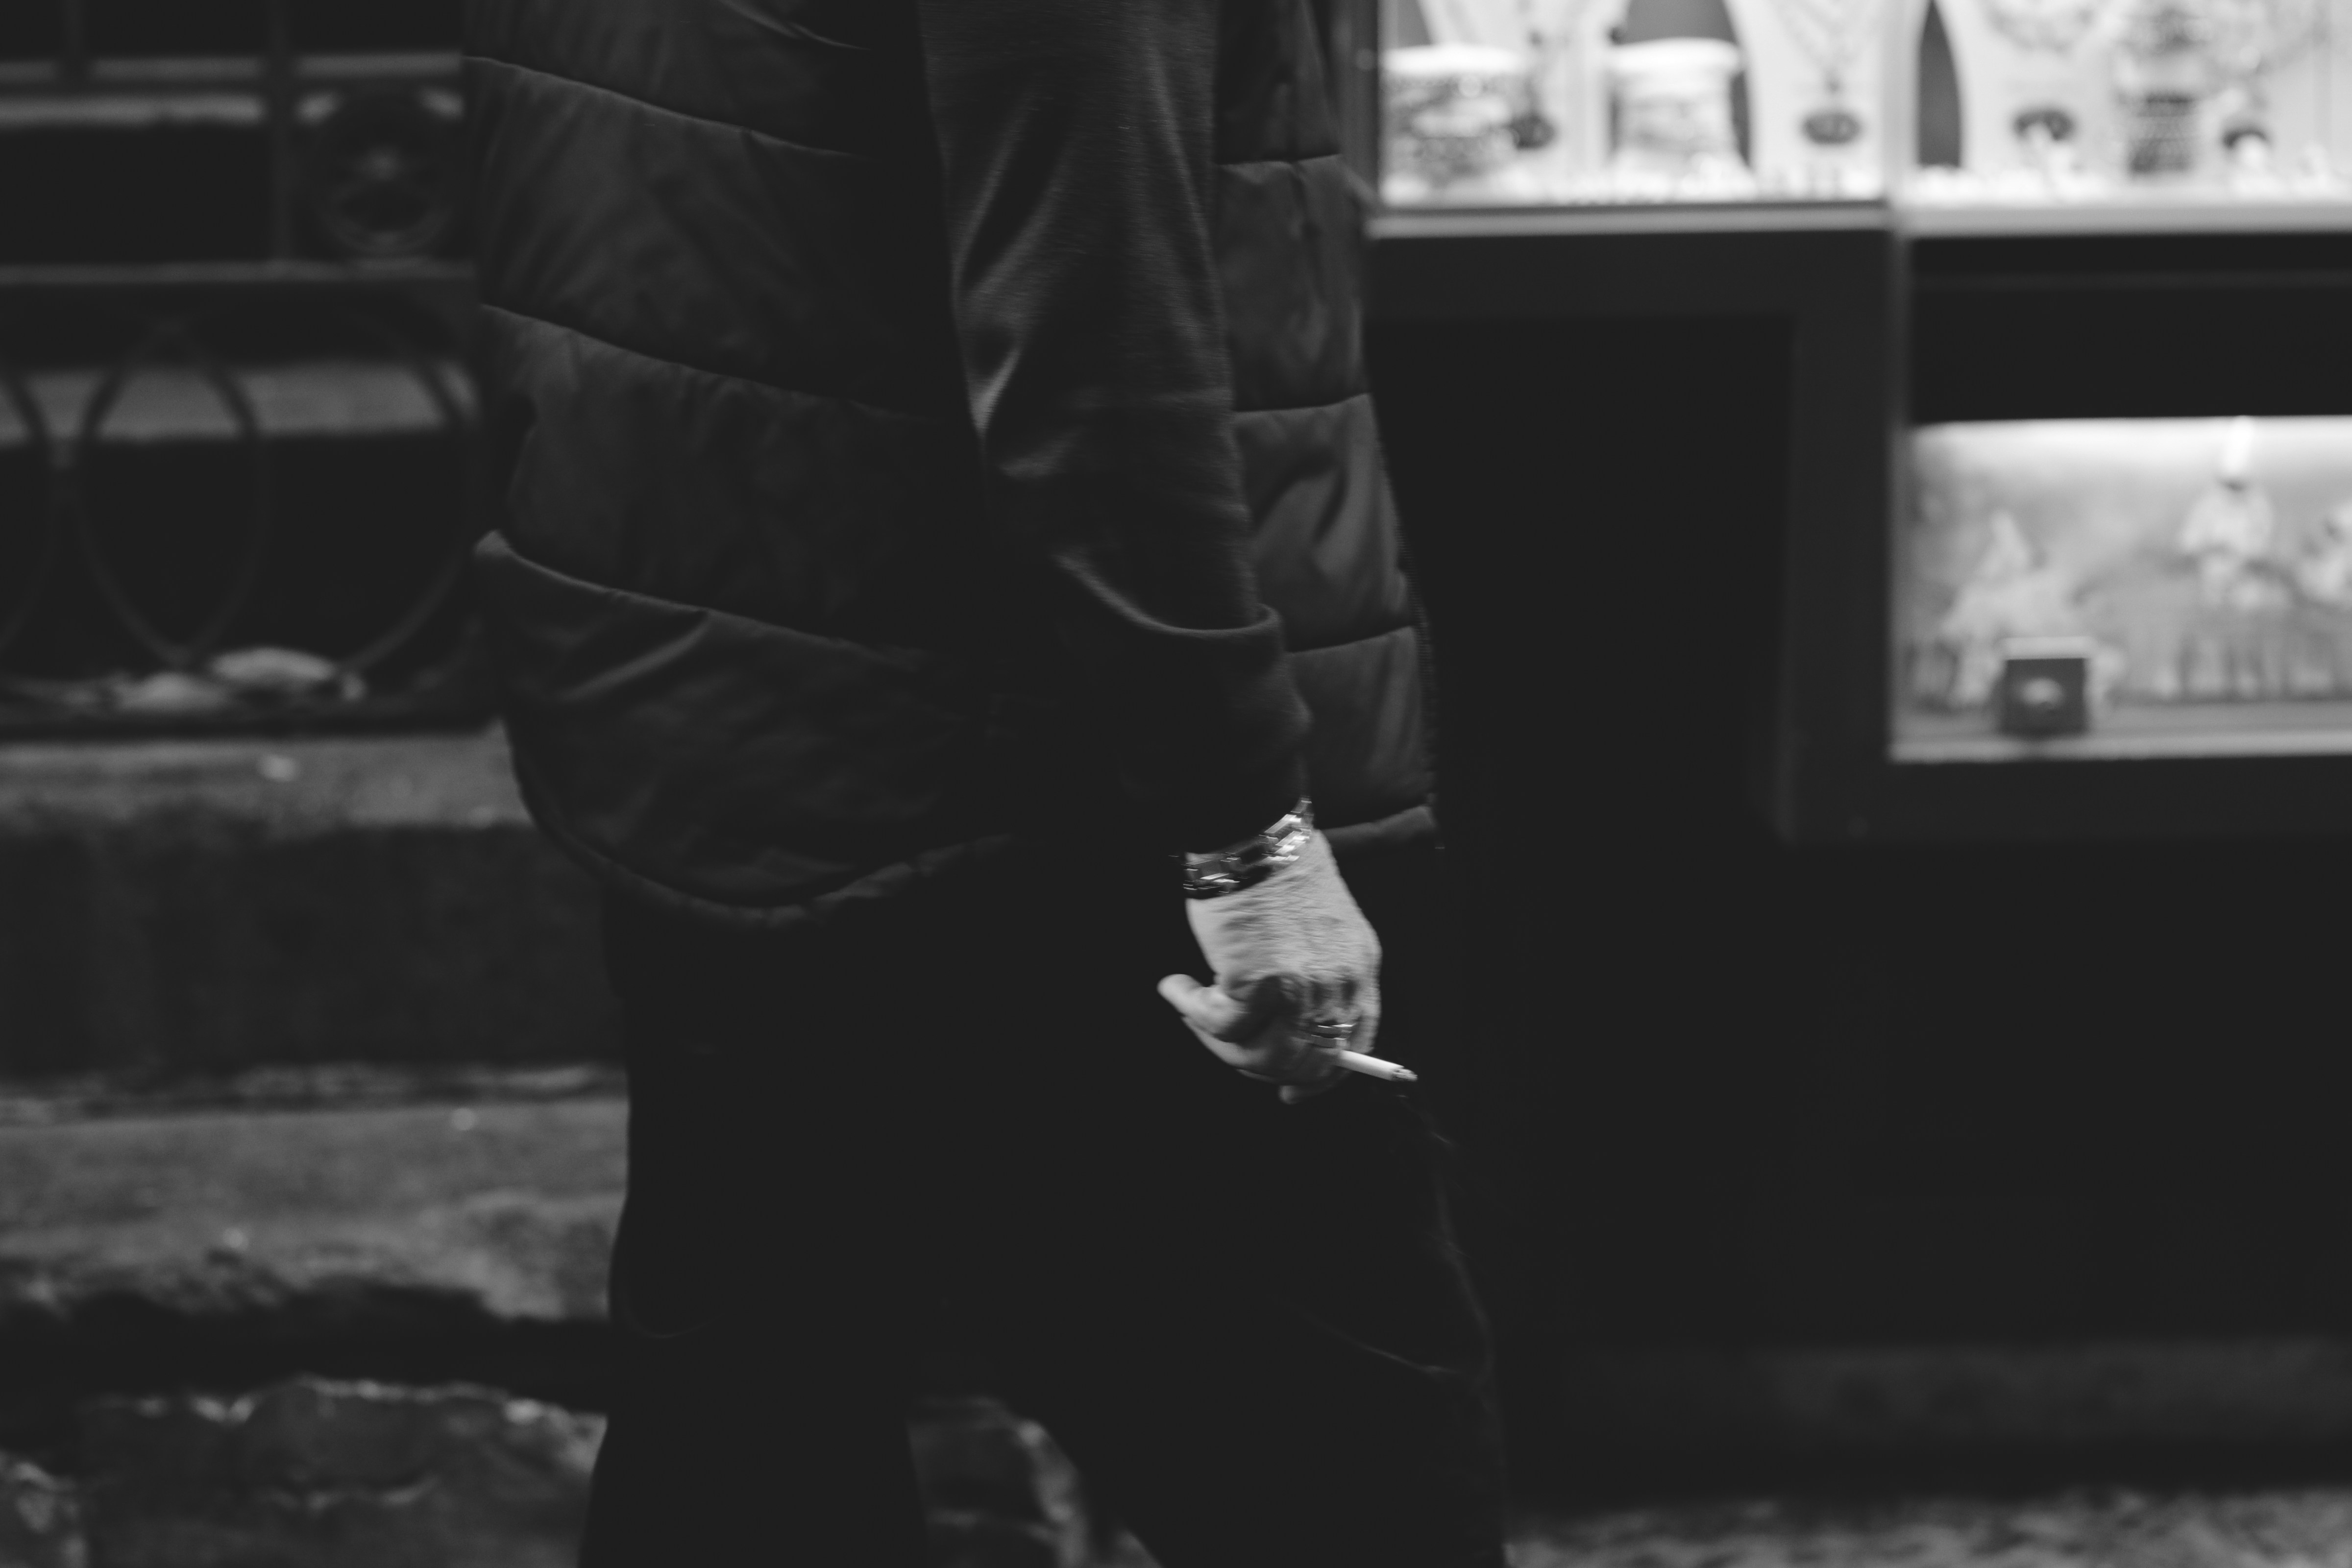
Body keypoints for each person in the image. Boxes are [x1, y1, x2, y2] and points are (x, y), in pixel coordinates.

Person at [460, 0, 1509, 1562]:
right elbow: (1095, 352)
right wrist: (1245, 835)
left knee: (750, 1433)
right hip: (1033, 771)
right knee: (1351, 1469)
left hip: (734, 701)